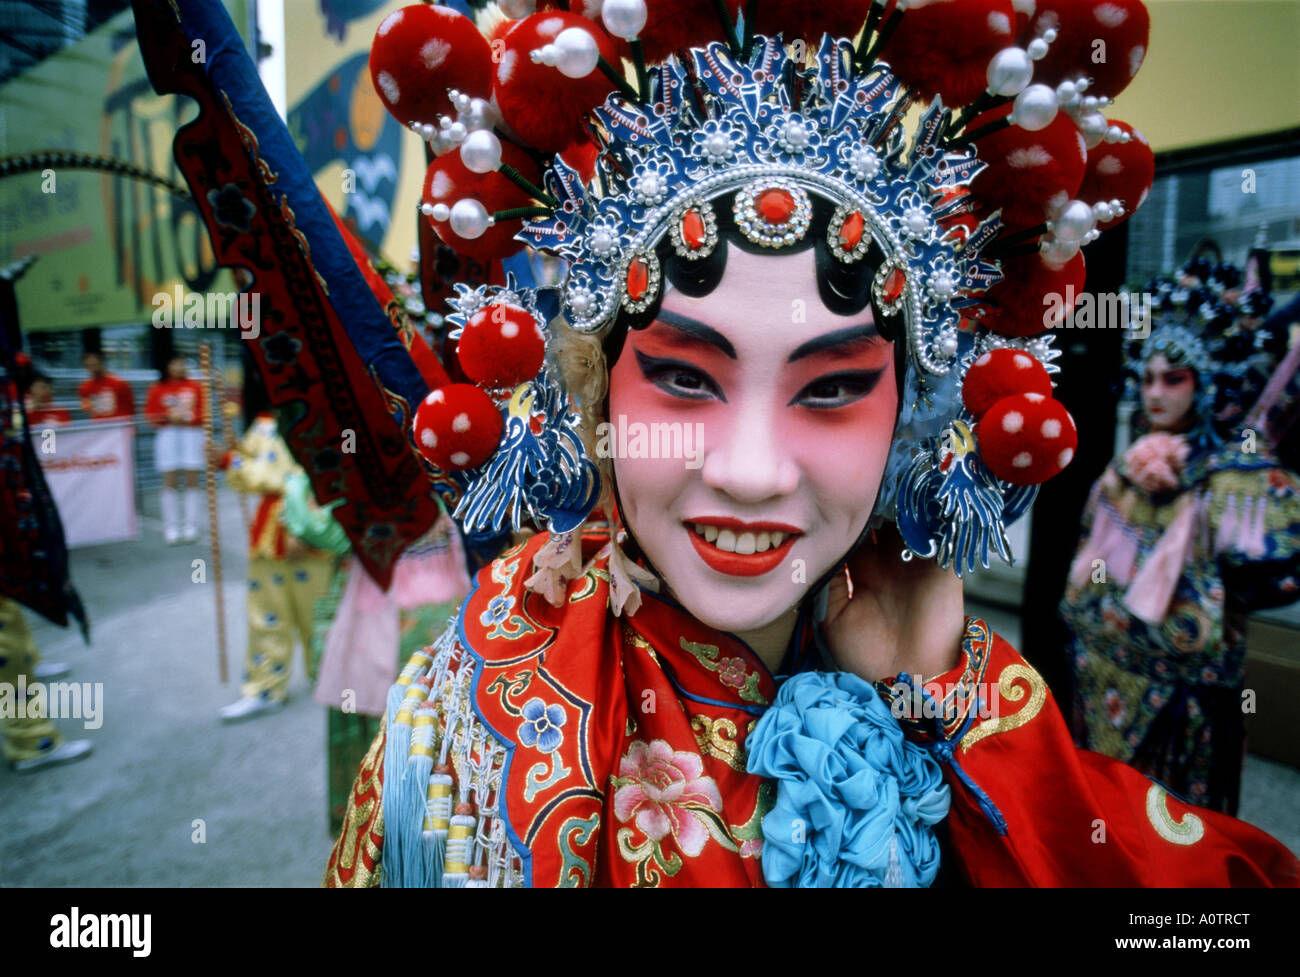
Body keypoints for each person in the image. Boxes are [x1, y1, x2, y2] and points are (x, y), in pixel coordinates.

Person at [307, 4, 1295, 887]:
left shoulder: (953, 685)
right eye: (685, 377)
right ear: (595, 391)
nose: (748, 469)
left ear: (912, 418)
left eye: (829, 389)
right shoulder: (462, 738)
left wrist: (933, 688)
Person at [1062, 314, 1300, 815]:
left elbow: (1275, 572)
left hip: (1183, 690)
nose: (1155, 393)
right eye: (1147, 379)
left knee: (1174, 824)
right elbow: (1090, 558)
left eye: (1174, 379)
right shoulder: (1123, 469)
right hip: (1098, 663)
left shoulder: (1234, 478)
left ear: (1206, 385)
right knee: (1104, 811)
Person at [217, 414, 338, 723]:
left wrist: (231, 461)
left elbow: (277, 474)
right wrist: (230, 458)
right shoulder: (263, 424)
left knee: (317, 614)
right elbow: (246, 476)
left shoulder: (322, 414)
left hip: (311, 526)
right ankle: (264, 688)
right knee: (266, 615)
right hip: (270, 534)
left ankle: (328, 681)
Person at [144, 356, 205, 544]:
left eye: (183, 363)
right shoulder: (158, 388)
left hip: (191, 434)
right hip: (167, 434)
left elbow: (204, 413)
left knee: (191, 478)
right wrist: (167, 417)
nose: (179, 367)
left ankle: (191, 526)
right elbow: (150, 415)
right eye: (175, 363)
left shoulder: (195, 387)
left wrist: (188, 419)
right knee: (169, 479)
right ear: (167, 365)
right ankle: (171, 527)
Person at [77, 351, 135, 421]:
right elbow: (87, 408)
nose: (93, 368)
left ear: (101, 363)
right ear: (85, 367)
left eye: (95, 364)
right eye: (89, 365)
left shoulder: (119, 383)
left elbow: (130, 407)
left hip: (119, 425)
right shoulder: (85, 387)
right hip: (99, 425)